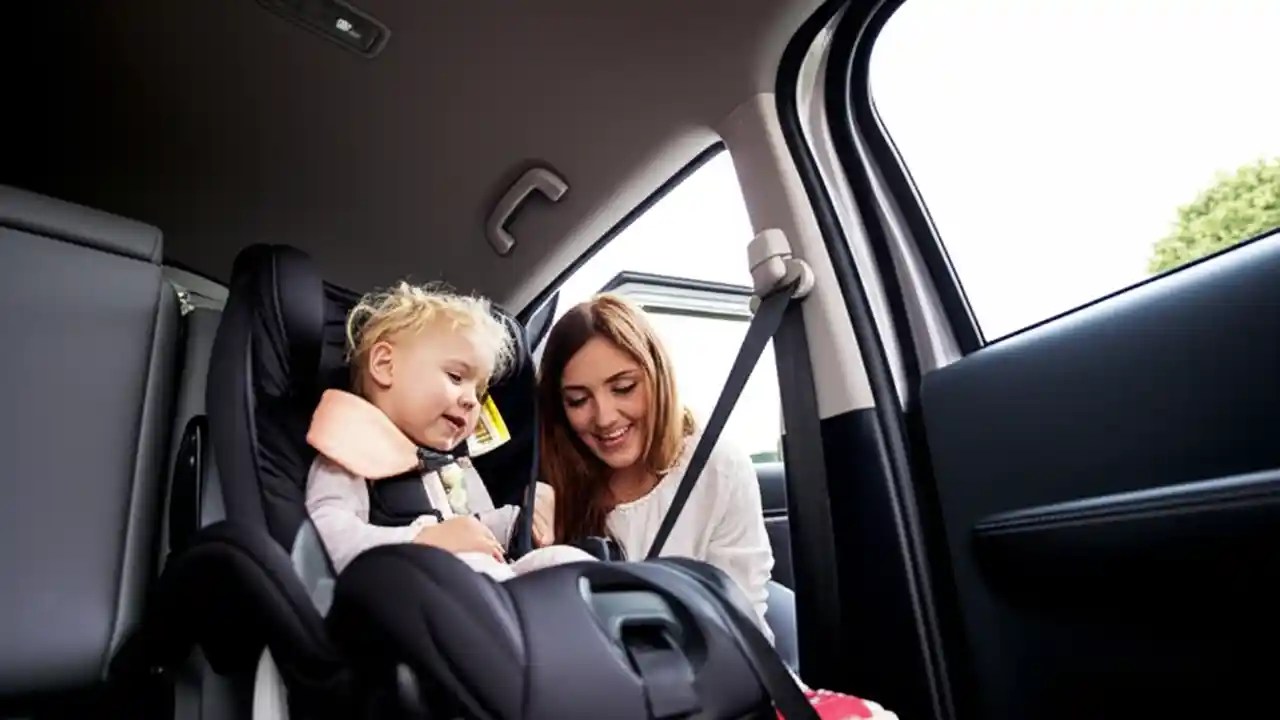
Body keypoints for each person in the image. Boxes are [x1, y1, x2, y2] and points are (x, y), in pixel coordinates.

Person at [535, 293, 899, 720]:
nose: (604, 416)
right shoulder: (555, 485)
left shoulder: (714, 464)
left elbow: (740, 610)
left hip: (724, 678)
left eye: (623, 388)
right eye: (578, 400)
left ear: (657, 377)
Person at [304, 281, 593, 581]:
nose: (471, 401)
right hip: (418, 597)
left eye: (480, 393)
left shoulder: (448, 463)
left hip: (485, 588)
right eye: (456, 377)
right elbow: (325, 538)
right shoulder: (351, 448)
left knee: (566, 562)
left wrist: (516, 521)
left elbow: (465, 527)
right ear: (385, 364)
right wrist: (422, 539)